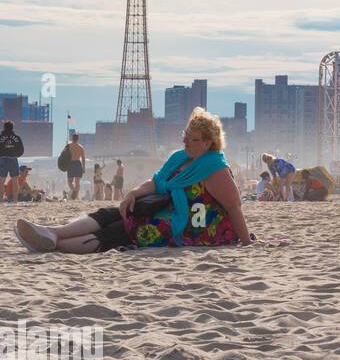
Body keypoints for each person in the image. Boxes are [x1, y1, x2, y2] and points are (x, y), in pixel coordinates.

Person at [14, 108, 253, 253]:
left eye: (192, 139)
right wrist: (133, 194)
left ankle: (52, 246)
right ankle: (51, 233)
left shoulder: (214, 168)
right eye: (185, 136)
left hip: (192, 230)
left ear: (208, 143)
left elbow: (234, 208)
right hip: (164, 213)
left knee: (119, 232)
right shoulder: (180, 158)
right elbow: (157, 182)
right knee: (110, 213)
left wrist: (247, 243)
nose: (185, 142)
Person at [0, 120, 23, 202]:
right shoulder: (17, 137)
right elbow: (21, 150)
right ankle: (15, 200)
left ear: (4, 127)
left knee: (1, 181)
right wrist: (16, 155)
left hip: (2, 159)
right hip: (13, 159)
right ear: (12, 127)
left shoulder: (0, 137)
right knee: (15, 180)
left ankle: (0, 201)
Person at [64, 133, 86, 199]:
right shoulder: (81, 147)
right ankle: (76, 196)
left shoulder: (68, 146)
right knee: (77, 182)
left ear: (72, 138)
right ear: (78, 139)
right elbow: (83, 158)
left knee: (69, 181)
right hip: (78, 164)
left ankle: (73, 190)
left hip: (71, 164)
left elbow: (63, 156)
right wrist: (83, 167)